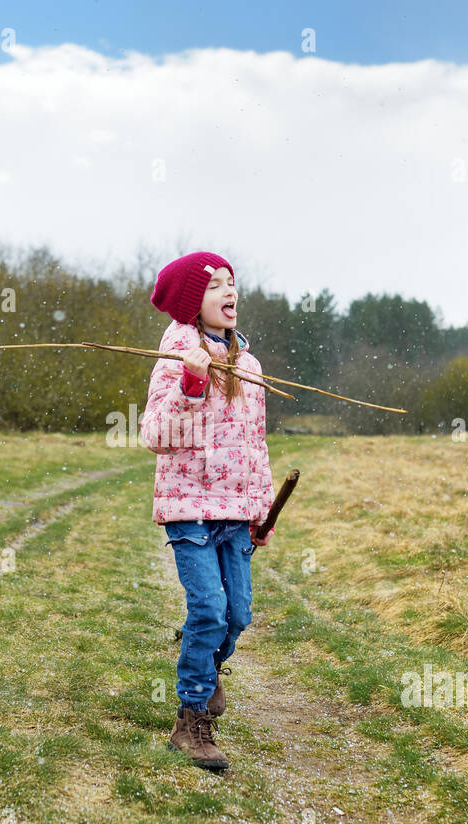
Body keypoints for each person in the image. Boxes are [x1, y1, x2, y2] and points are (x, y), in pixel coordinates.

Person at [139, 251, 275, 771]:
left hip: (237, 510)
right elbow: (157, 436)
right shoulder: (177, 358)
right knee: (209, 611)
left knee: (237, 615)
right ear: (192, 302)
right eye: (215, 284)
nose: (228, 291)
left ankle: (207, 670)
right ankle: (192, 721)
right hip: (189, 506)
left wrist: (260, 509)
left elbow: (255, 444)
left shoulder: (251, 366)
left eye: (231, 281)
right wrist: (191, 385)